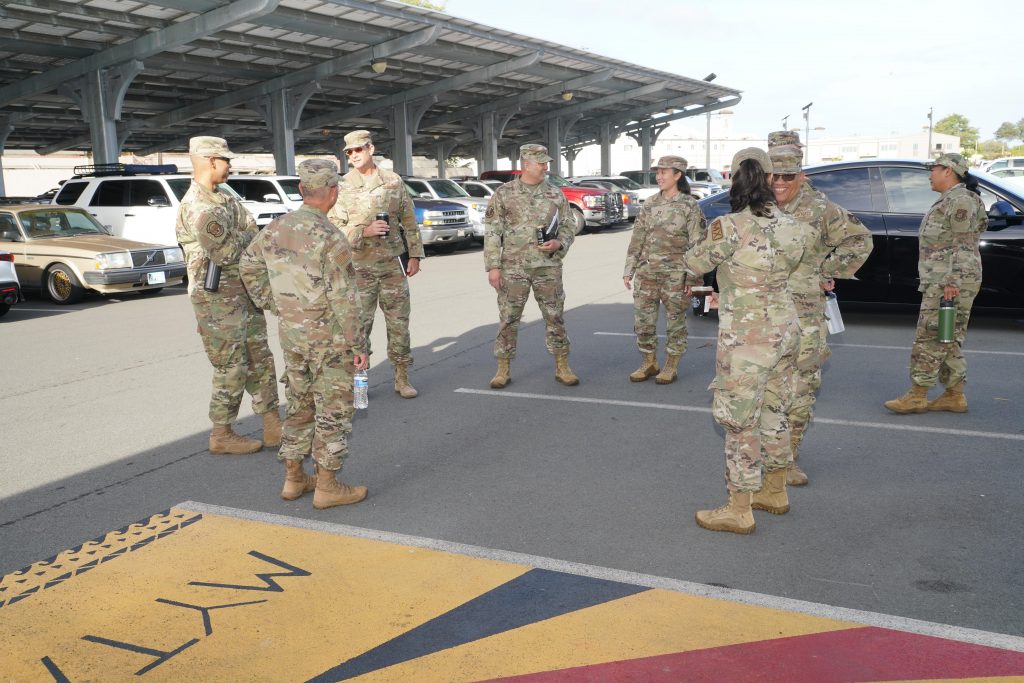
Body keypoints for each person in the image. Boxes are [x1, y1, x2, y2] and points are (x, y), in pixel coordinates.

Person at [678, 148, 809, 535]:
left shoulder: (730, 225)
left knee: (739, 422)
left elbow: (695, 262)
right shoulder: (794, 225)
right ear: (770, 179)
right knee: (775, 412)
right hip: (785, 330)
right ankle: (774, 492)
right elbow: (783, 268)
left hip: (748, 341)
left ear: (735, 179)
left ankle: (739, 508)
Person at [239, 159, 370, 509]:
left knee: (299, 405)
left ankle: (294, 478)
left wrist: (276, 304)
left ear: (301, 190)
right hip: (330, 338)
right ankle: (327, 485)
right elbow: (344, 297)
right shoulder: (331, 236)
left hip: (293, 334)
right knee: (334, 410)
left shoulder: (274, 229)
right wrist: (360, 344)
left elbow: (247, 266)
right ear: (333, 192)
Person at [766, 132, 873, 485]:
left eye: (787, 176)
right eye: (773, 175)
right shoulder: (757, 205)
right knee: (761, 386)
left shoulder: (820, 209)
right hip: (760, 314)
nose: (779, 183)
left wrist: (829, 270)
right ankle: (763, 455)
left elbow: (861, 239)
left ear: (801, 175)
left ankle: (789, 459)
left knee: (801, 386)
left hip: (804, 314)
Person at [175, 136, 281, 455]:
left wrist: (248, 239)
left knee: (260, 356)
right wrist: (248, 239)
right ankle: (222, 432)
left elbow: (253, 230)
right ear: (210, 161)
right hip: (216, 300)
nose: (230, 166)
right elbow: (229, 252)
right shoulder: (197, 206)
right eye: (226, 161)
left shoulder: (224, 198)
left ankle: (273, 423)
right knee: (231, 364)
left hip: (243, 293)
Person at [885, 153, 987, 414]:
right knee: (947, 337)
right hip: (945, 279)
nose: (930, 174)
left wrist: (951, 281)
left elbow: (963, 242)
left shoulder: (961, 199)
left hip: (950, 282)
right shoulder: (952, 199)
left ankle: (918, 395)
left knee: (930, 337)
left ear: (949, 171)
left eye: (934, 169)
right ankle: (954, 395)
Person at [328, 130, 425, 399]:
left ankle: (402, 377)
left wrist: (414, 255)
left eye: (358, 150)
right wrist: (363, 231)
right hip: (359, 268)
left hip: (392, 266)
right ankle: (359, 383)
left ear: (370, 149)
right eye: (349, 152)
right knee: (359, 327)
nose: (354, 156)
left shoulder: (393, 182)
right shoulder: (343, 185)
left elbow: (409, 221)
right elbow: (334, 228)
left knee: (399, 325)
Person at [483, 143, 578, 388]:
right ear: (526, 164)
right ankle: (503, 368)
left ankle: (562, 366)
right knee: (508, 318)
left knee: (555, 316)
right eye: (541, 163)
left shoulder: (556, 194)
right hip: (513, 267)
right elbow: (493, 231)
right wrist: (493, 266)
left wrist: (560, 243)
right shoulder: (504, 193)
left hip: (548, 267)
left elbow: (569, 225)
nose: (546, 167)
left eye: (546, 162)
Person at [623, 156, 707, 384]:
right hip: (647, 273)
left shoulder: (689, 205)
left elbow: (697, 245)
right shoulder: (650, 203)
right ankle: (649, 362)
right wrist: (629, 268)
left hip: (675, 276)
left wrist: (693, 278)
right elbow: (637, 237)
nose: (659, 176)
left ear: (678, 175)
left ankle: (671, 365)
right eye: (657, 172)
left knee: (675, 323)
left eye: (664, 172)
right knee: (643, 322)